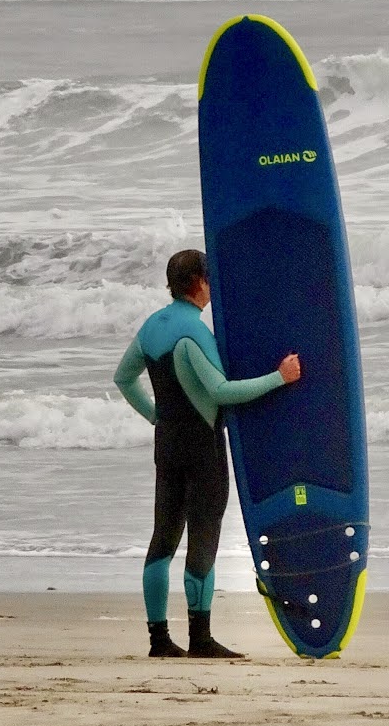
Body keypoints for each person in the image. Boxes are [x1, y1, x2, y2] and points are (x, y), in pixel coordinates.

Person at [114, 249, 300, 658]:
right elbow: (219, 391)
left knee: (162, 541)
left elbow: (123, 378)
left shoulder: (152, 327)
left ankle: (159, 640)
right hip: (202, 448)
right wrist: (278, 378)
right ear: (198, 282)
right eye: (210, 278)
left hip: (168, 447)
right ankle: (200, 638)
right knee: (203, 541)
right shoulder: (193, 332)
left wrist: (156, 417)